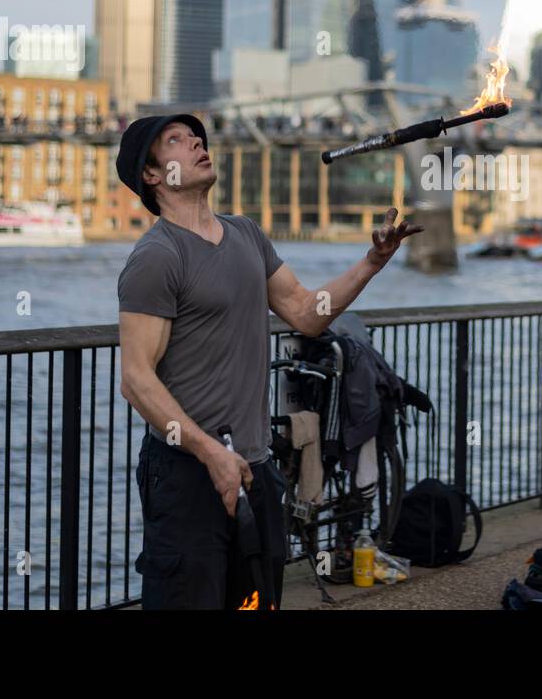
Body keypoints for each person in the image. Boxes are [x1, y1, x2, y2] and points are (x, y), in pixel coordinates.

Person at [115, 115, 421, 609]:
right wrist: (210, 452)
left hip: (255, 469)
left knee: (257, 603)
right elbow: (135, 379)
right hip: (186, 475)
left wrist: (371, 263)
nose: (196, 141)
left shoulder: (246, 236)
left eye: (196, 136)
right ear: (151, 175)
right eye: (175, 141)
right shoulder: (157, 256)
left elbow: (306, 312)